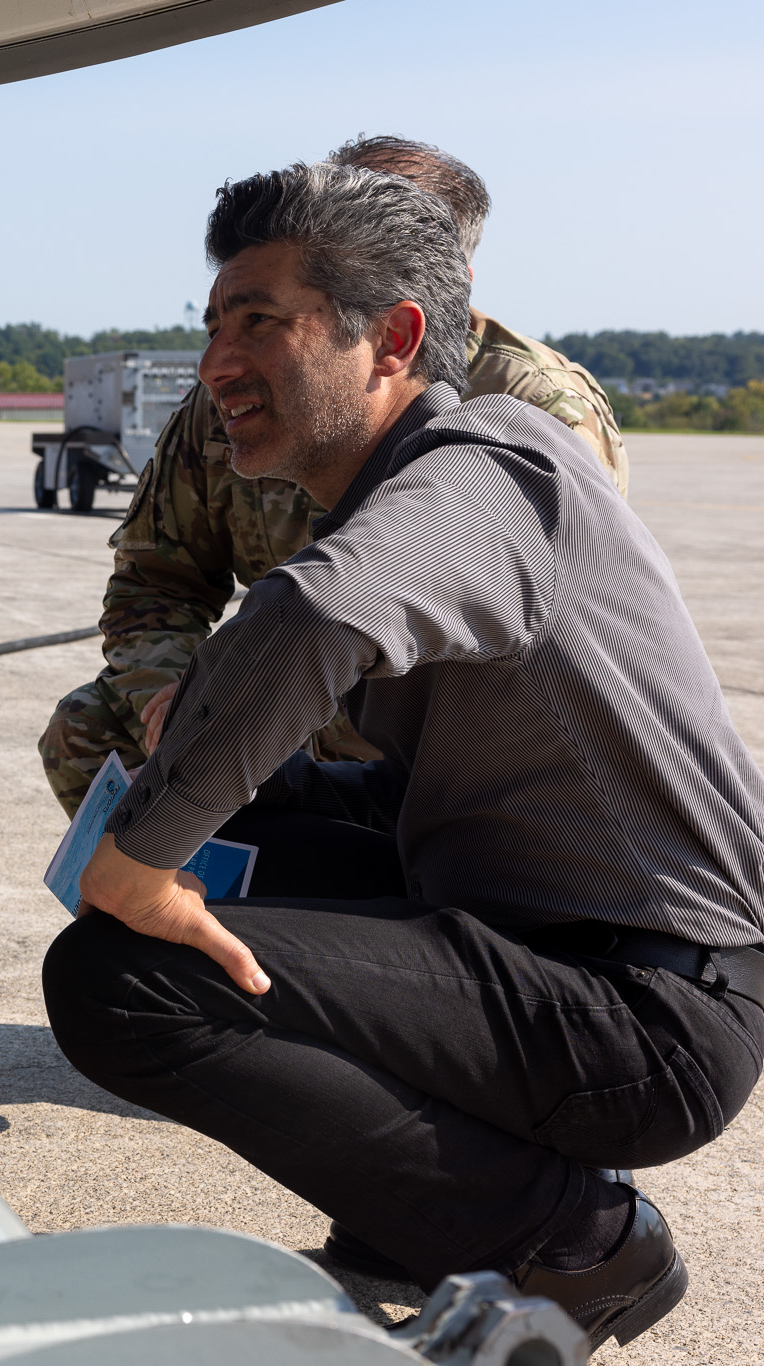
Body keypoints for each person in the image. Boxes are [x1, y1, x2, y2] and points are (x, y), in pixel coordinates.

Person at [39, 162, 764, 1349]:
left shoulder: (485, 467)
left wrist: (144, 856)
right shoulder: (435, 471)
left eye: (259, 322)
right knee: (253, 823)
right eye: (213, 324)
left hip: (645, 1012)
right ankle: (422, 1213)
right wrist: (234, 786)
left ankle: (574, 1242)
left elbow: (313, 613)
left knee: (118, 977)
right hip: (555, 933)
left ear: (393, 340)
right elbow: (442, 780)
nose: (217, 362)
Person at [40, 136, 630, 815]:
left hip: (445, 748)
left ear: (448, 280)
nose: (220, 361)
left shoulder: (533, 407)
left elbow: (553, 645)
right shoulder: (239, 392)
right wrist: (175, 700)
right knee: (89, 728)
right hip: (276, 708)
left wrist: (245, 711)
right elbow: (156, 583)